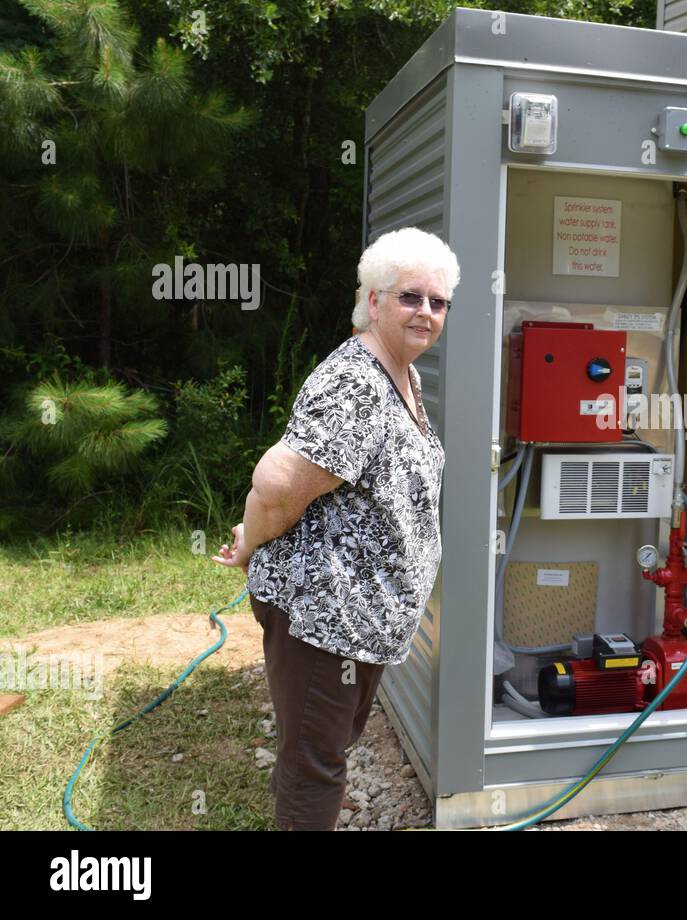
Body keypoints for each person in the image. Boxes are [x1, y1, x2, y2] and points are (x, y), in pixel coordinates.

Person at [212, 226, 458, 830]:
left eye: (438, 301)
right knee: (314, 766)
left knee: (325, 748)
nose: (425, 312)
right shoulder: (356, 382)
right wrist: (252, 540)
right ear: (372, 301)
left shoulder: (403, 373)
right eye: (410, 297)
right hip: (324, 617)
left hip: (361, 618)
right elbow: (277, 485)